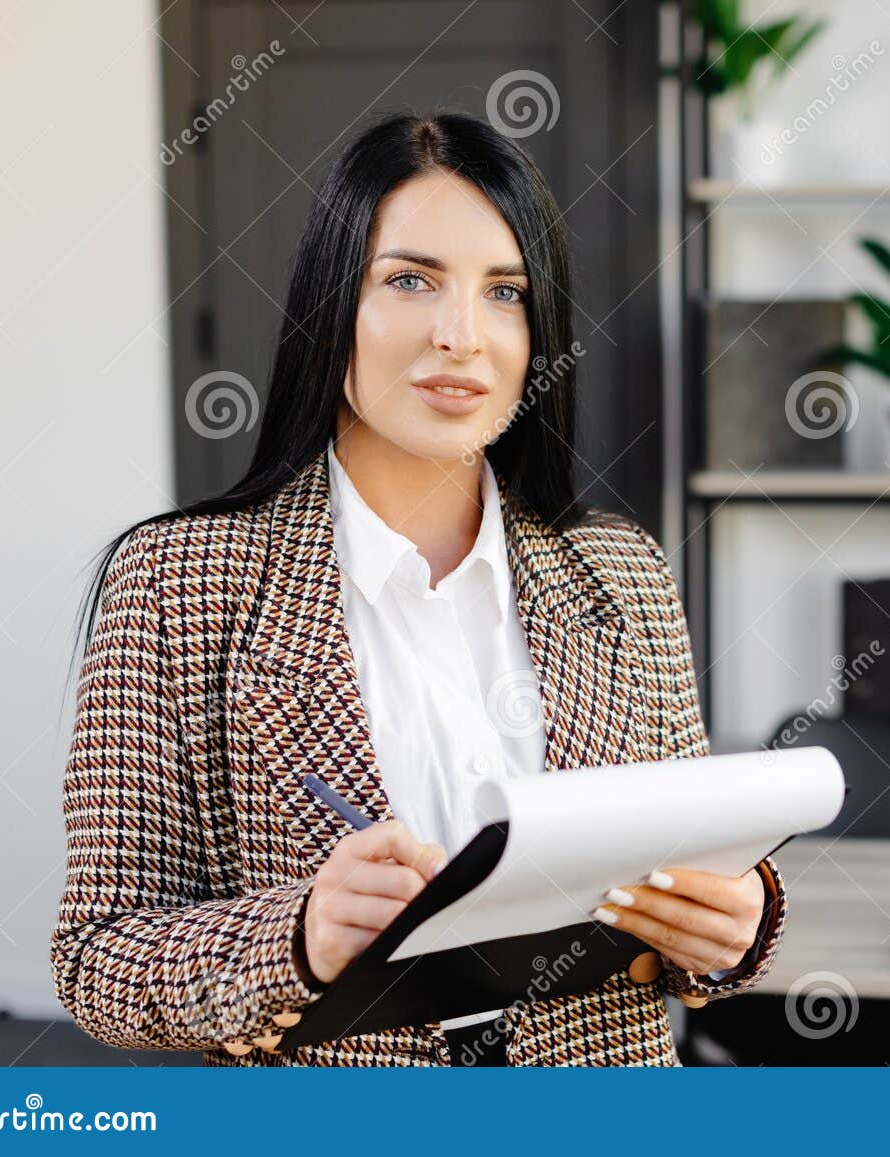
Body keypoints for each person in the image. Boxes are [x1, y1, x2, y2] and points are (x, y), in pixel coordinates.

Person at [50, 112, 786, 1067]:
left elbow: (693, 867)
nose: (461, 336)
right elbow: (98, 961)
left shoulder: (623, 571)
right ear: (331, 306)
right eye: (409, 279)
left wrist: (736, 924)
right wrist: (299, 936)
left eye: (505, 292)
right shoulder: (178, 583)